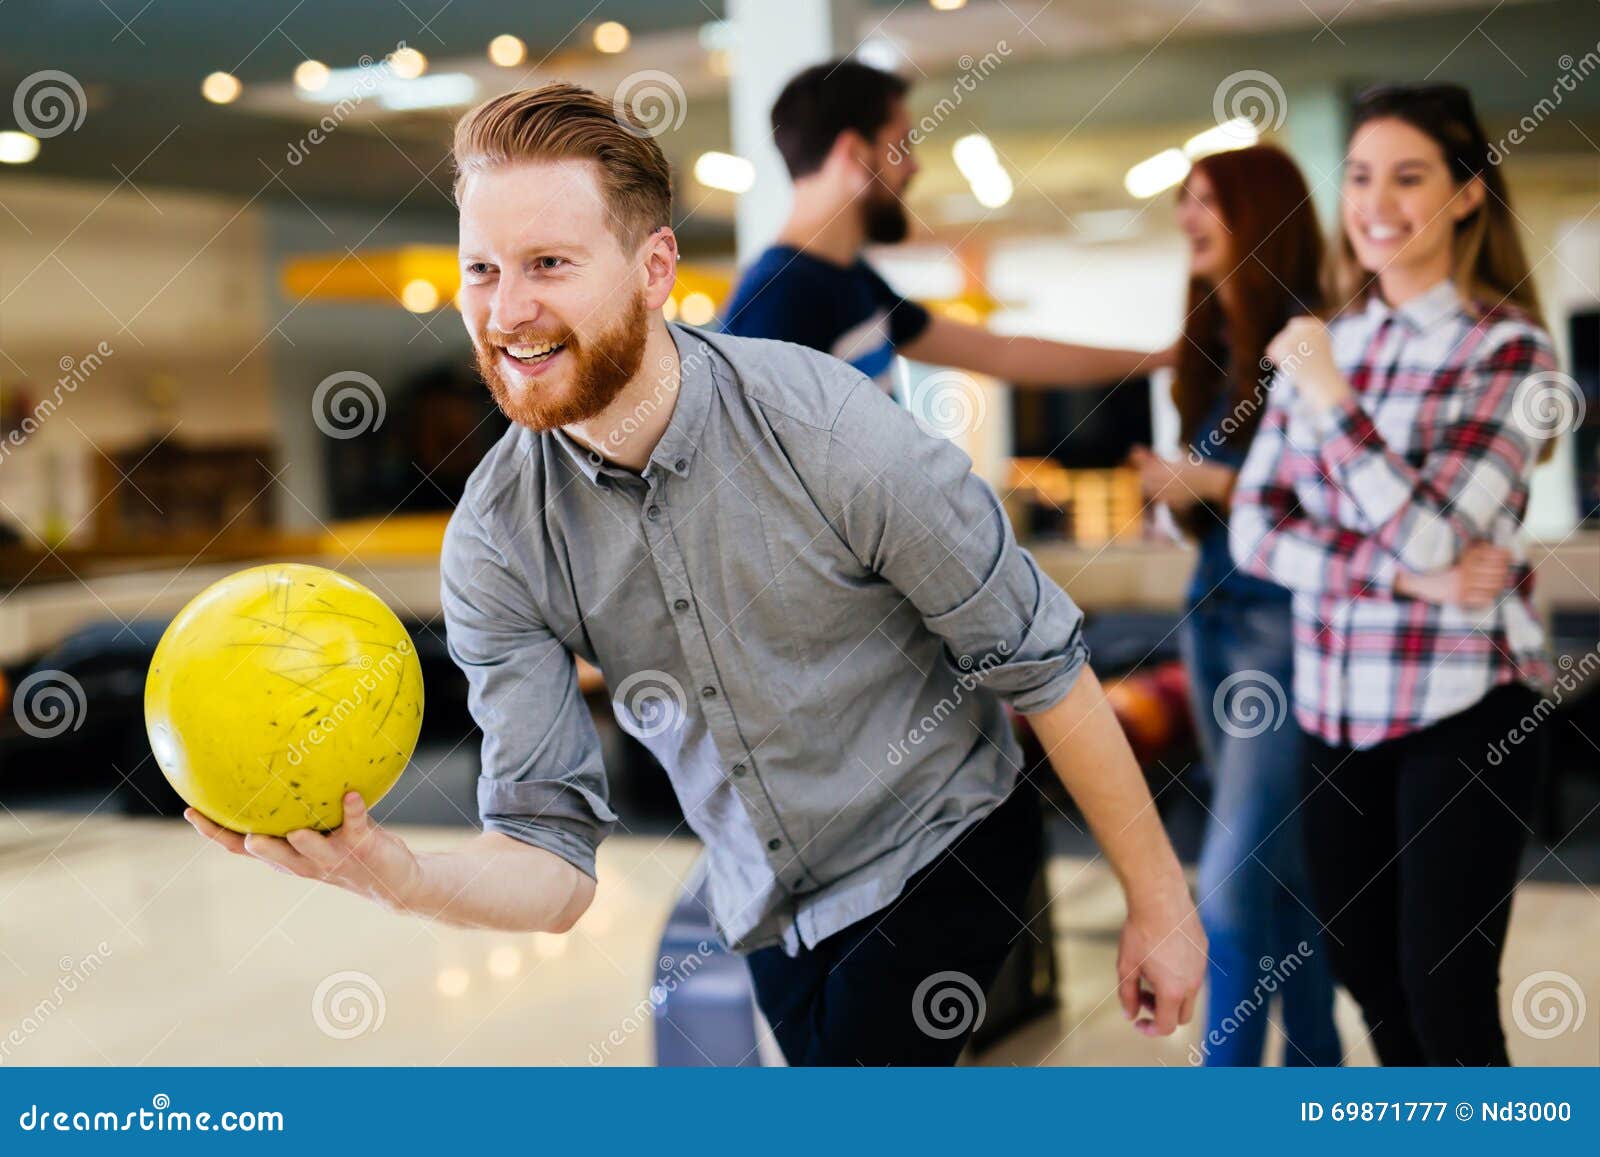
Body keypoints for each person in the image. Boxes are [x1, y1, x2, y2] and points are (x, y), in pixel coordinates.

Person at [186, 83, 1206, 1066]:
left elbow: (1041, 660)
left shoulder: (823, 425)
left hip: (942, 832)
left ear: (654, 267)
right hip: (765, 897)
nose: (508, 310)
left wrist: (1159, 902)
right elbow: (553, 864)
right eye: (483, 270)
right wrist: (397, 874)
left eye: (548, 262)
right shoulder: (499, 538)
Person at [1230, 83, 1563, 1066]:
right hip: (1335, 700)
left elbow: (1433, 533)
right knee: (1367, 975)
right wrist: (1405, 583)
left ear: (1465, 195)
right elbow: (1253, 530)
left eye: (1408, 176)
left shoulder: (1510, 355)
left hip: (1465, 702)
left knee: (1443, 986)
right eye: (1361, 177)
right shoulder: (1318, 340)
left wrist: (1330, 397)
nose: (1376, 200)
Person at [1128, 145, 1341, 1067]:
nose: (1186, 217)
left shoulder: (1313, 340)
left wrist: (1208, 477)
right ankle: (1319, 1076)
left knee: (1229, 885)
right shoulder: (1221, 355)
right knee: (1283, 883)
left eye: (1205, 200)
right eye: (1183, 199)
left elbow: (1338, 493)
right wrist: (1180, 493)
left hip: (1284, 631)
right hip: (1212, 619)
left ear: (1258, 214)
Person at [722, 60, 1168, 395]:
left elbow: (1003, 353)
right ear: (856, 155)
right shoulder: (779, 299)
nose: (914, 168)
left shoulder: (851, 282)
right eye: (901, 146)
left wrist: (1164, 358)